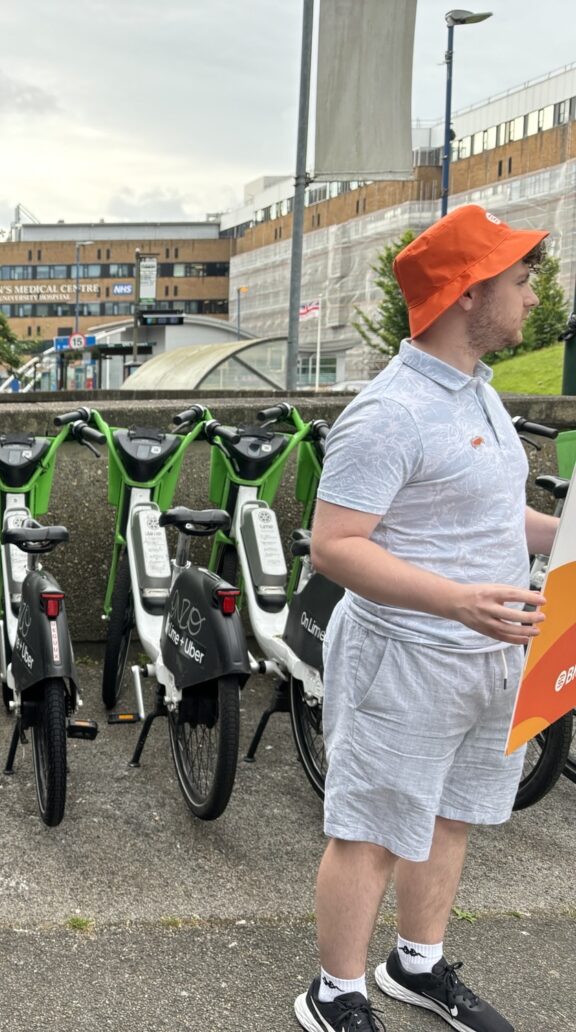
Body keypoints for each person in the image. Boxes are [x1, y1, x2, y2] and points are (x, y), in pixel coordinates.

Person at [294, 204, 557, 1032]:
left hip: (483, 658)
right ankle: (334, 995)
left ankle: (417, 965)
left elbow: (486, 515)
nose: (533, 295)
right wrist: (458, 602)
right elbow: (333, 548)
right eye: (519, 281)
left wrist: (561, 535)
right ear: (467, 295)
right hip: (407, 657)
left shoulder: (477, 393)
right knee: (370, 830)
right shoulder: (389, 412)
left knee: (451, 815)